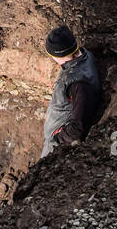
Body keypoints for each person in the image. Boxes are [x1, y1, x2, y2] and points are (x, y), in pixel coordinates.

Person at [41, 24, 103, 157]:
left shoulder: (78, 84)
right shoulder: (84, 56)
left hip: (58, 143)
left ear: (58, 55)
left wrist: (57, 139)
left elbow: (78, 128)